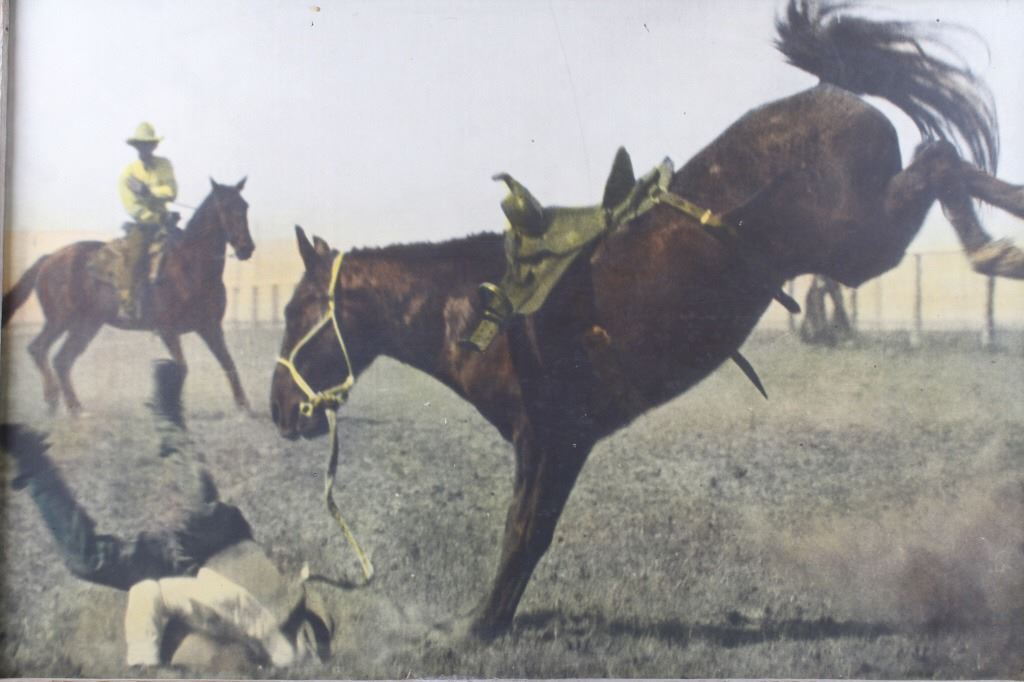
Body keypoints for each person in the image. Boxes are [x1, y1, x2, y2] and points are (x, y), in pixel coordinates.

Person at [1, 362, 327, 669]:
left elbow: (164, 598)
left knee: (86, 561)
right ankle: (167, 410)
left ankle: (33, 462)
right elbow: (253, 608)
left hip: (182, 568)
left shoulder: (237, 635)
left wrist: (146, 663)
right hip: (222, 543)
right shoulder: (283, 625)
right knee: (196, 514)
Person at [117, 122, 179, 321]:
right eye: (141, 146)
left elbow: (171, 192)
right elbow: (131, 206)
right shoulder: (128, 174)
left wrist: (149, 192)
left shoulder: (164, 165)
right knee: (134, 259)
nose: (145, 149)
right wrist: (150, 216)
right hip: (143, 225)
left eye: (149, 145)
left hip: (166, 223)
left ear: (154, 146)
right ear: (136, 148)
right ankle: (127, 304)